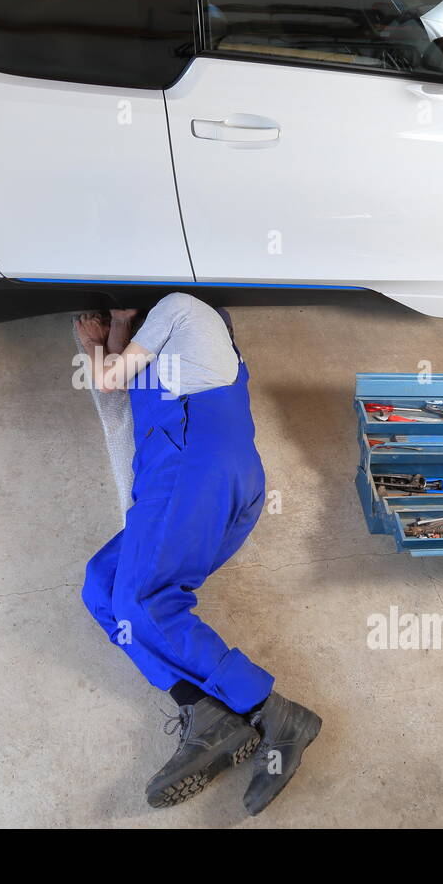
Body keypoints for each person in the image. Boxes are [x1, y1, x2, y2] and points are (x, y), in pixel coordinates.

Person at [75, 293, 321, 815]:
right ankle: (206, 712)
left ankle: (273, 711)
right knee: (103, 585)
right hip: (192, 483)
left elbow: (109, 377)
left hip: (194, 473)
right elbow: (126, 369)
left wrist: (95, 345)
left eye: (135, 324)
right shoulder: (173, 361)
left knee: (144, 599)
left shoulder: (184, 308)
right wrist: (116, 326)